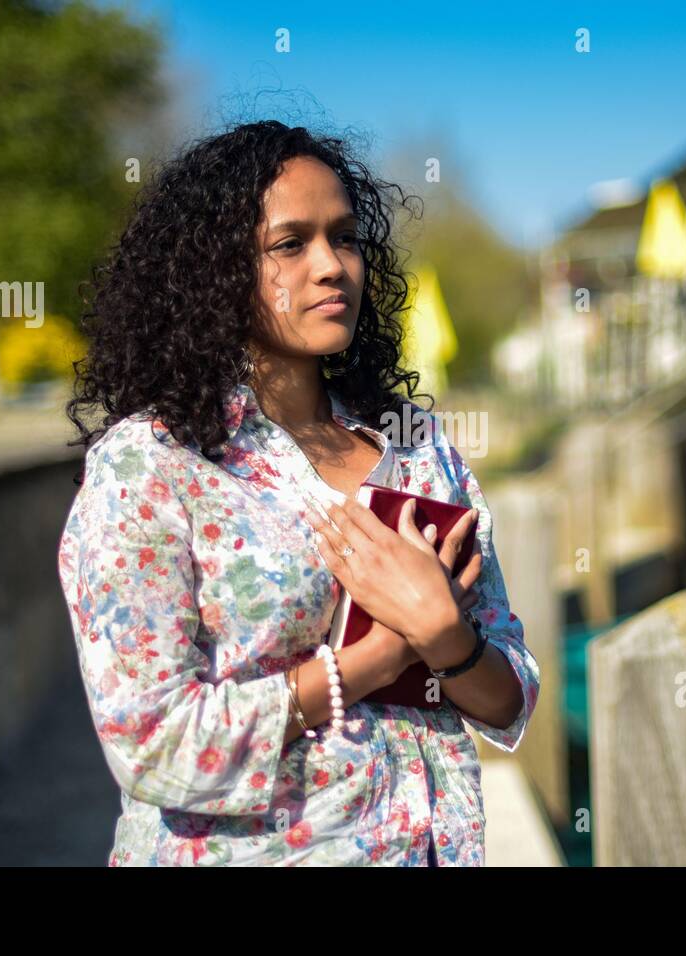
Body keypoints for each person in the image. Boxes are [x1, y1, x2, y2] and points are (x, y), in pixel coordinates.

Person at [58, 120, 540, 865]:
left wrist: (448, 640)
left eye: (345, 238)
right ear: (215, 272)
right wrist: (376, 659)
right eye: (290, 244)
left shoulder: (417, 447)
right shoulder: (152, 467)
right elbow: (152, 745)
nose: (331, 266)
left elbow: (510, 698)